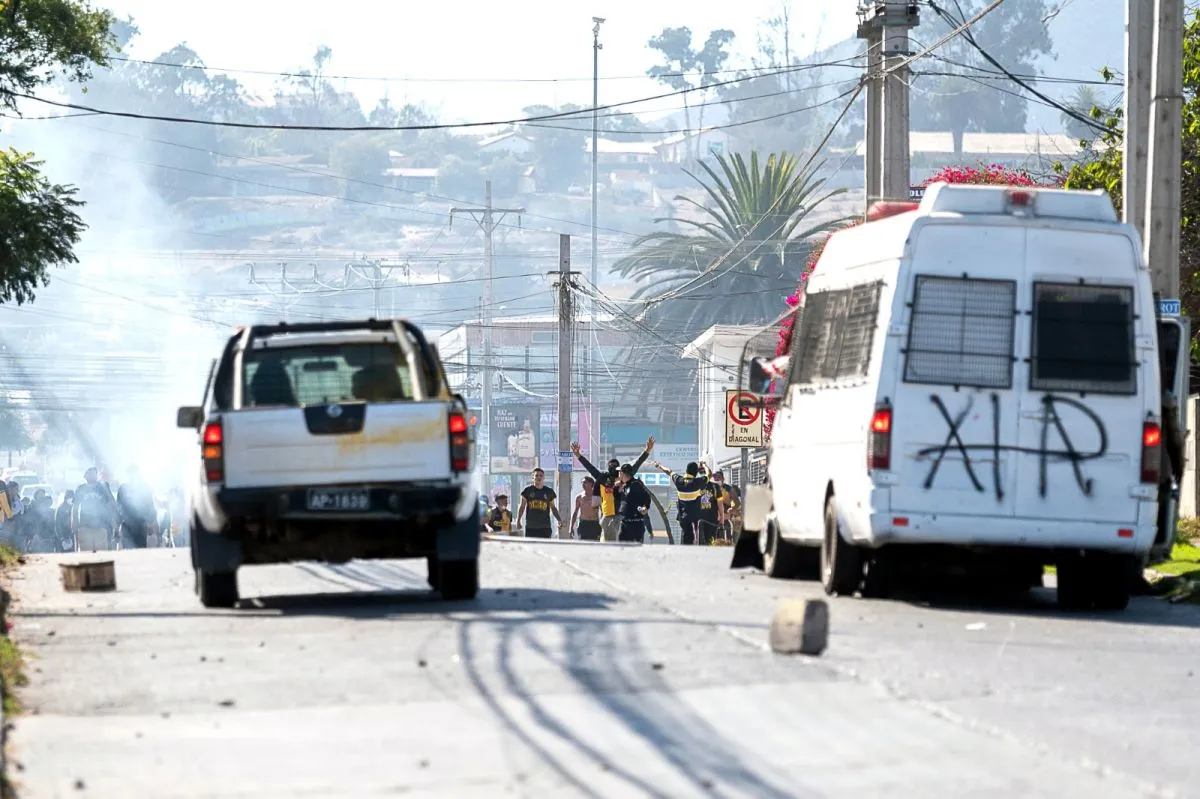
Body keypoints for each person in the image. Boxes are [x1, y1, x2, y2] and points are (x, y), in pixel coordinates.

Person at [571, 436, 654, 542]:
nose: (615, 469)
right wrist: (578, 456)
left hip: (622, 517)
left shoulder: (625, 476)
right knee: (607, 543)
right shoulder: (604, 478)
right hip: (607, 516)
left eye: (616, 467)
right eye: (611, 466)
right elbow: (591, 468)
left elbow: (638, 463)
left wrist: (647, 450)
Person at [74, 467, 117, 550]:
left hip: (101, 526)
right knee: (86, 555)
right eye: (89, 473)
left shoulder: (103, 487)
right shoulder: (81, 489)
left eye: (93, 473)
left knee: (101, 554)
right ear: (85, 476)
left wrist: (114, 523)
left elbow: (112, 504)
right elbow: (75, 508)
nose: (91, 475)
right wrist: (74, 523)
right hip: (85, 526)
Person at [117, 466, 158, 548]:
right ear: (128, 474)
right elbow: (118, 506)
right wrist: (117, 524)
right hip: (127, 525)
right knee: (127, 551)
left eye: (134, 472)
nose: (133, 475)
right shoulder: (123, 488)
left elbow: (150, 506)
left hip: (141, 524)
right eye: (131, 473)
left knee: (141, 550)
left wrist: (151, 523)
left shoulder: (144, 487)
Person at [611, 464, 653, 543]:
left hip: (636, 524)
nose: (618, 474)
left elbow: (647, 497)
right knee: (621, 548)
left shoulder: (635, 484)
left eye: (619, 472)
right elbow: (617, 498)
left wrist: (646, 507)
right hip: (625, 523)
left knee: (636, 551)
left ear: (622, 473)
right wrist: (615, 487)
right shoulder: (624, 485)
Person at [516, 468, 560, 539]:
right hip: (531, 527)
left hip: (545, 527)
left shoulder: (549, 491)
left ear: (544, 477)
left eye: (541, 475)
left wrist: (559, 519)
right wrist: (518, 521)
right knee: (531, 548)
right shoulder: (527, 491)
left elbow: (553, 508)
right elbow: (522, 507)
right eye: (536, 475)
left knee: (545, 548)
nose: (539, 477)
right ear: (533, 477)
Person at [571, 476, 602, 541]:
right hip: (583, 524)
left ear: (591, 484)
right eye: (582, 483)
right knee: (583, 545)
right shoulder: (579, 497)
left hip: (595, 524)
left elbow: (603, 511)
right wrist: (571, 527)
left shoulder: (597, 496)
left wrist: (603, 524)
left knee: (595, 545)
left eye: (585, 482)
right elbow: (575, 512)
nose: (583, 484)